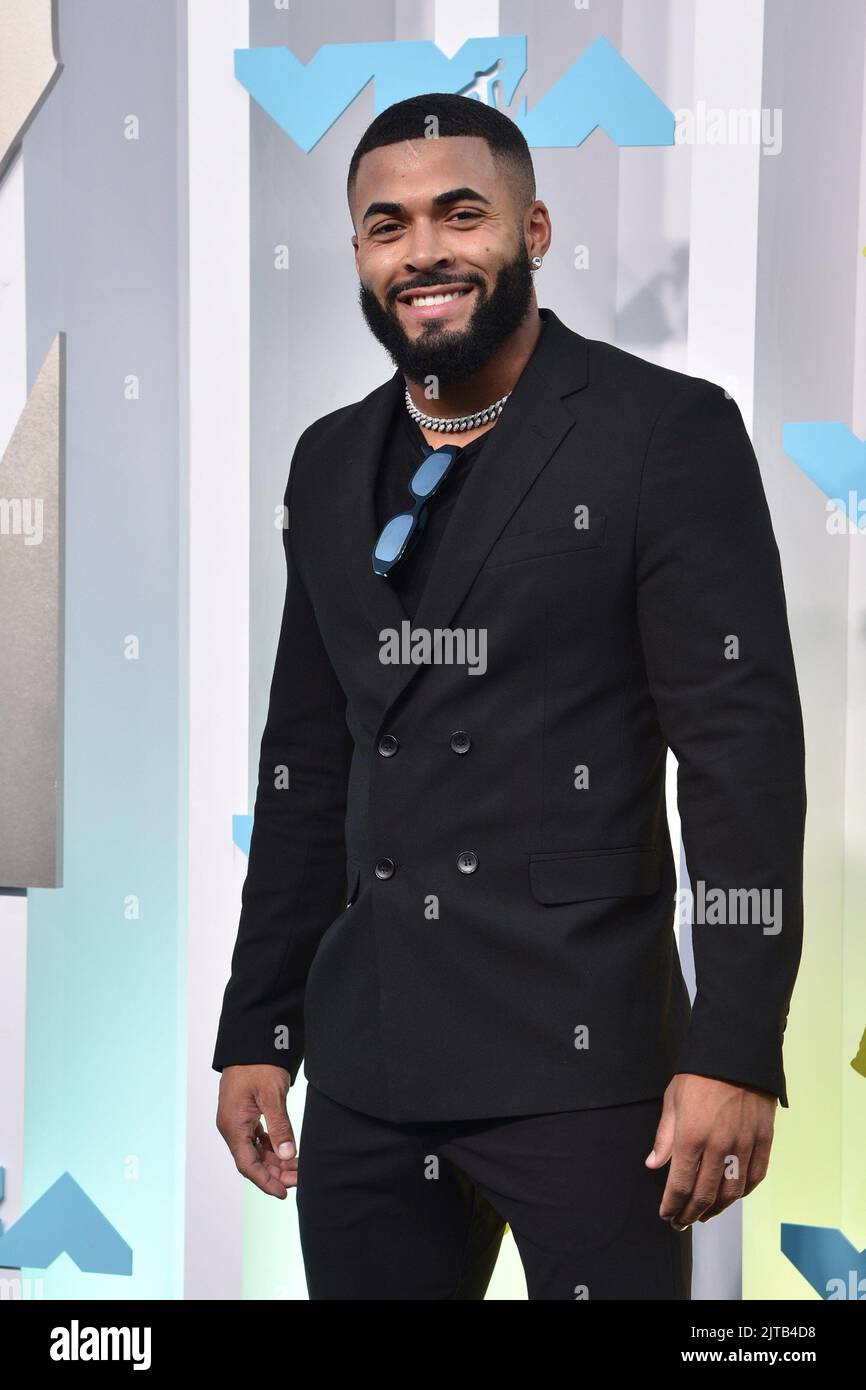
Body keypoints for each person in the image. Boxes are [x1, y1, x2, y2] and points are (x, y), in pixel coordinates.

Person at [213, 93, 806, 1300]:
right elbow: (304, 762)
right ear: (360, 256)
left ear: (531, 230)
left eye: (459, 214)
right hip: (370, 1078)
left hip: (590, 1080)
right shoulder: (328, 460)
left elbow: (738, 753)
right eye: (386, 226)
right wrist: (258, 1026)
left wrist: (735, 1045)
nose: (421, 251)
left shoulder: (663, 433)